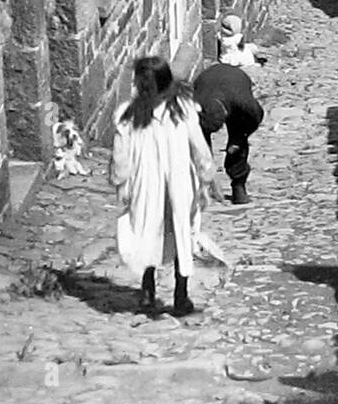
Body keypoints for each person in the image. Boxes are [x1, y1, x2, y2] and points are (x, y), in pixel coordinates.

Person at [109, 55, 221, 317]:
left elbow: (121, 157)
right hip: (180, 182)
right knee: (183, 233)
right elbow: (199, 147)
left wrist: (120, 182)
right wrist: (206, 177)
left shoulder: (128, 115)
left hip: (145, 183)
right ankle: (181, 295)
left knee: (148, 230)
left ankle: (147, 291)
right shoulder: (182, 109)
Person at [193, 59, 264, 206]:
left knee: (237, 147)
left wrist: (237, 139)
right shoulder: (195, 104)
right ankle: (204, 185)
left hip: (235, 79)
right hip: (207, 81)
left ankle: (238, 184)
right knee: (200, 147)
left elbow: (255, 118)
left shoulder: (243, 103)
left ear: (225, 113)